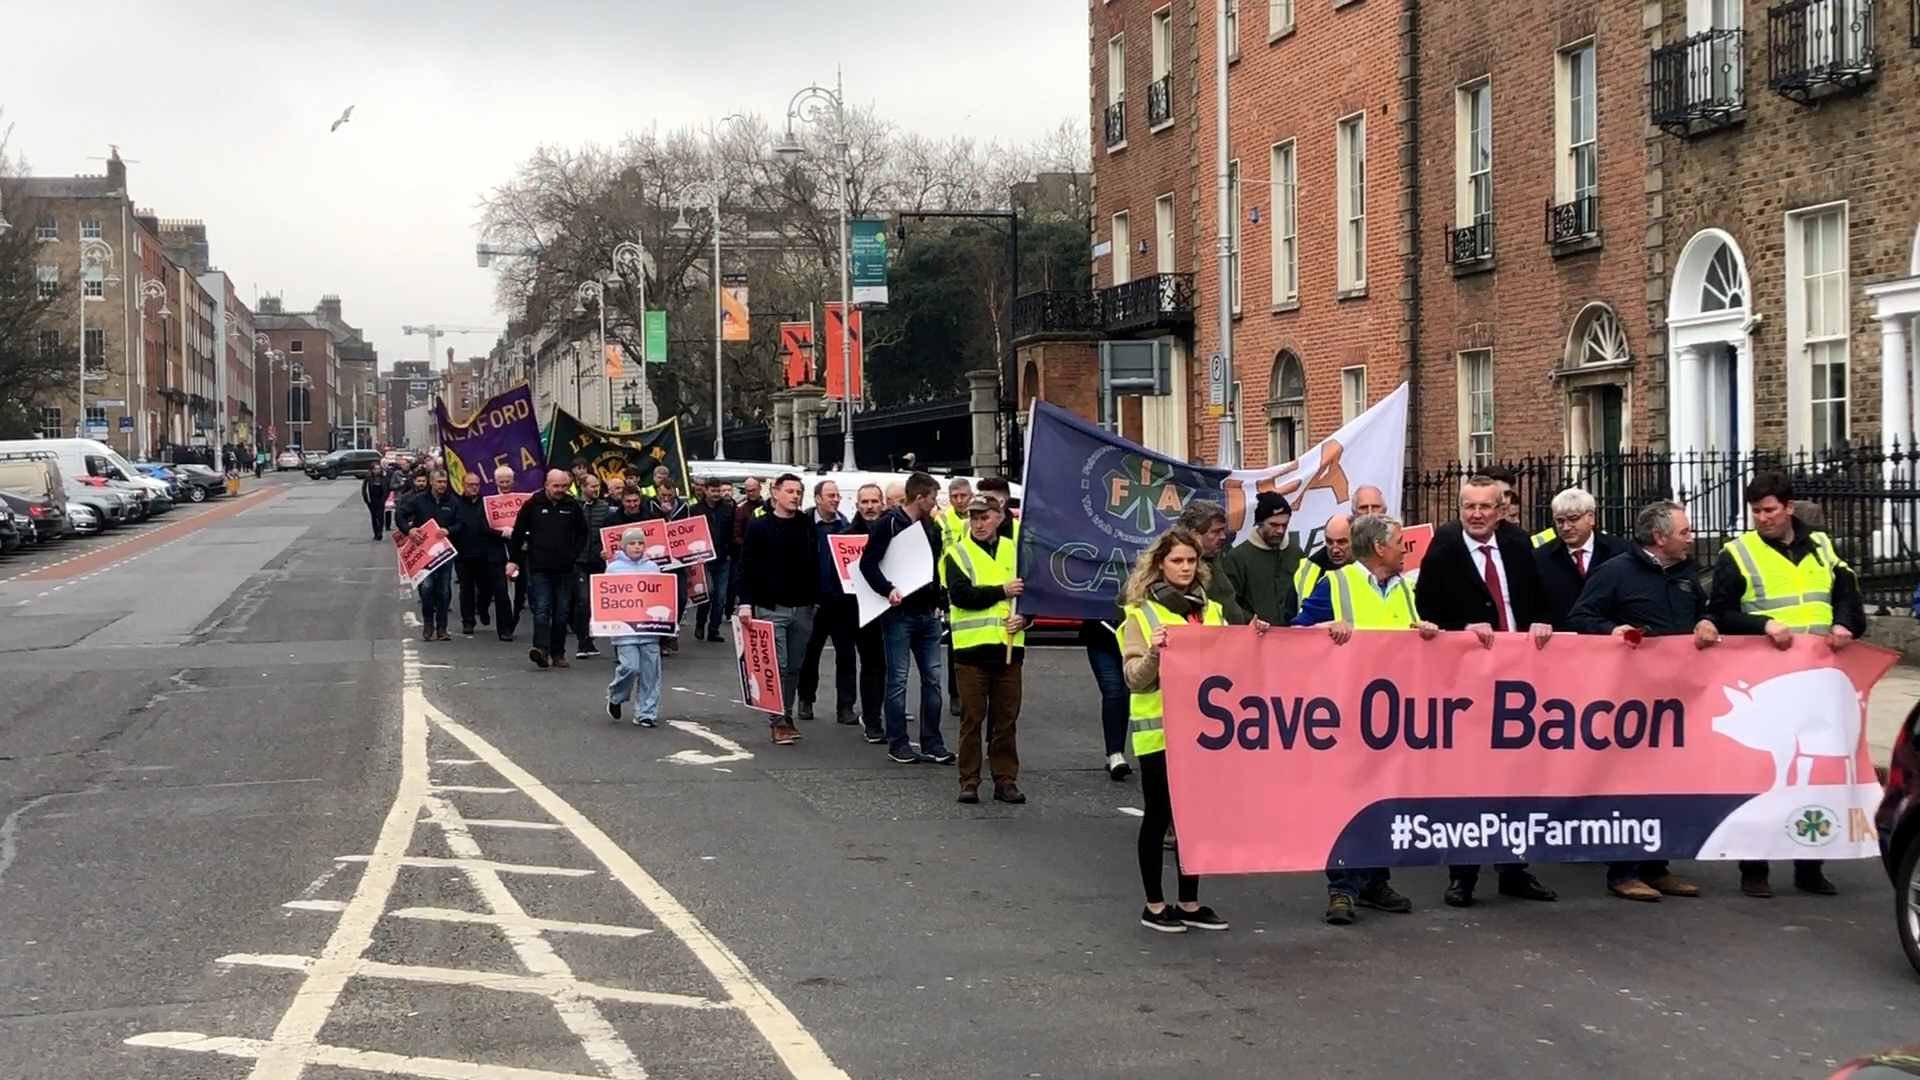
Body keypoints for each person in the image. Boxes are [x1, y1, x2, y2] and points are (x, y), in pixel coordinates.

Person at [1707, 473, 1864, 899]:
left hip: (1817, 681)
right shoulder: (1736, 553)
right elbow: (1720, 612)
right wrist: (1762, 624)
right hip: (1767, 682)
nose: (1762, 518)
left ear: (1789, 507)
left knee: (1816, 775)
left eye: (1770, 510)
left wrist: (1846, 624)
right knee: (1762, 774)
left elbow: (1848, 594)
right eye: (1756, 511)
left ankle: (1809, 864)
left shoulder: (1822, 546)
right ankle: (1753, 867)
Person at [1414, 475, 1559, 908]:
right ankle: (1463, 874)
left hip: (1519, 680)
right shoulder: (1442, 553)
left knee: (1517, 777)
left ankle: (1514, 869)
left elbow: (1539, 600)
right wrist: (1461, 631)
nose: (1476, 515)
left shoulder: (1518, 547)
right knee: (1471, 781)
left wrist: (1542, 622)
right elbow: (1427, 615)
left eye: (1484, 507)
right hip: (1468, 683)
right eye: (1469, 507)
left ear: (1501, 510)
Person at [1565, 500, 1716, 902]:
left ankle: (1656, 866)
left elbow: (1700, 614)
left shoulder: (1685, 574)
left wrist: (1707, 621)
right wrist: (1613, 630)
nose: (1692, 538)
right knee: (1631, 786)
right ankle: (1623, 870)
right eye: (1685, 532)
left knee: (1670, 785)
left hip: (1680, 699)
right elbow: (1580, 618)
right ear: (1660, 536)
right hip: (1631, 702)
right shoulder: (1615, 573)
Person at [1293, 513, 1430, 924]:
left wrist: (1423, 632)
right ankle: (1341, 888)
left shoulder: (1404, 588)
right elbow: (1293, 635)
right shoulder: (1335, 584)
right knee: (1345, 802)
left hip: (1390, 717)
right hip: (1345, 713)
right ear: (1379, 548)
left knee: (1382, 800)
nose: (1405, 550)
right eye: (1400, 543)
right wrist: (1324, 629)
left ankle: (1373, 881)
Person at [1121, 527, 1231, 933]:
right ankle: (1154, 905)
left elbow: (1233, 665)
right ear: (1159, 565)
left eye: (1191, 561)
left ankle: (1189, 902)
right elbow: (1134, 678)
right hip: (1160, 734)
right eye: (1177, 561)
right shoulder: (1141, 614)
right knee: (1159, 815)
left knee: (1194, 818)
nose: (1185, 568)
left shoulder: (1213, 611)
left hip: (1203, 734)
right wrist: (1154, 652)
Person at [861, 471, 954, 765]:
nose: (935, 503)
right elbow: (868, 563)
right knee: (898, 679)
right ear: (918, 498)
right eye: (931, 498)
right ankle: (898, 742)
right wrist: (887, 589)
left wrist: (940, 599)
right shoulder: (888, 523)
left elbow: (934, 566)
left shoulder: (929, 526)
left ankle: (932, 742)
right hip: (899, 614)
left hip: (927, 613)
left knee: (933, 679)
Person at [944, 493, 1029, 804]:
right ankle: (969, 780)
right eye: (973, 518)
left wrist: (1024, 618)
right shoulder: (957, 554)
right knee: (972, 720)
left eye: (984, 517)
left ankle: (1005, 780)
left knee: (1005, 720)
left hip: (1008, 650)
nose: (978, 523)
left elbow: (1029, 594)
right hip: (972, 652)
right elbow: (962, 596)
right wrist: (1001, 591)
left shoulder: (1014, 551)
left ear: (999, 518)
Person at [737, 473, 821, 744]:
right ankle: (778, 720)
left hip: (804, 606)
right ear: (775, 492)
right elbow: (747, 566)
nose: (795, 496)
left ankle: (786, 713)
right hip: (771, 606)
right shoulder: (759, 526)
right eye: (790, 491)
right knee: (779, 664)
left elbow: (814, 559)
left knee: (795, 666)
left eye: (799, 492)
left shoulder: (806, 523)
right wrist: (746, 603)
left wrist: (816, 598)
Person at [510, 469, 589, 670]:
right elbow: (518, 532)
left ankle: (558, 653)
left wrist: (574, 553)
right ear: (546, 484)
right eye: (556, 486)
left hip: (565, 568)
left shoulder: (572, 506)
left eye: (564, 486)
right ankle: (541, 650)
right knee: (542, 610)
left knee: (561, 612)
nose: (560, 490)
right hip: (539, 567)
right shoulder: (532, 505)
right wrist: (514, 560)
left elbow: (583, 532)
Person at [799, 480, 859, 725]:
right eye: (830, 495)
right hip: (812, 602)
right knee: (809, 654)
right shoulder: (803, 525)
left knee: (846, 656)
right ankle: (805, 700)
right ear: (818, 499)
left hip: (842, 602)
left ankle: (845, 707)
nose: (835, 499)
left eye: (837, 496)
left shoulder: (847, 526)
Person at [1534, 487, 1630, 629]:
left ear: (1591, 517)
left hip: (1610, 639)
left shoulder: (1620, 551)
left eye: (1573, 519)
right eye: (1560, 521)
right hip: (1561, 642)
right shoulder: (1540, 558)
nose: (1566, 527)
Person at [604, 529, 665, 728]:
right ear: (624, 546)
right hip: (625, 631)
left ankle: (646, 713)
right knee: (630, 667)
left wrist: (667, 623)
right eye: (632, 543)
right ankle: (616, 696)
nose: (637, 546)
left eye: (640, 543)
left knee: (650, 674)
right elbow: (606, 598)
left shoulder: (653, 568)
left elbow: (662, 596)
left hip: (649, 630)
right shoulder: (613, 569)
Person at [396, 469, 461, 642]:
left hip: (444, 553)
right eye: (439, 481)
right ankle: (428, 623)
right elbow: (400, 514)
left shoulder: (452, 502)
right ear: (431, 482)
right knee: (426, 588)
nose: (442, 485)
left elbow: (461, 523)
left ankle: (442, 627)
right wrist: (409, 530)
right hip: (424, 553)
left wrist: (449, 530)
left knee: (445, 591)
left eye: (444, 482)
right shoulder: (418, 500)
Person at [1221, 491, 1304, 625]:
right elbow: (1229, 604)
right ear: (1260, 523)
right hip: (1255, 639)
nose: (1280, 531)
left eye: (1284, 525)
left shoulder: (1296, 554)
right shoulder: (1237, 558)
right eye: (1274, 525)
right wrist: (1251, 621)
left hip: (1293, 638)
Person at [848, 482, 891, 743]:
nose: (870, 506)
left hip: (891, 607)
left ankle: (885, 715)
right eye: (864, 502)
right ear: (857, 505)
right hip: (860, 609)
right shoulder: (847, 534)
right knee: (871, 664)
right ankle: (872, 720)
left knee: (888, 665)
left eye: (874, 501)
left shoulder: (893, 532)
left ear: (882, 503)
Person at [1175, 500, 1252, 624]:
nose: (1223, 536)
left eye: (1223, 531)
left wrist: (1251, 622)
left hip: (1231, 635)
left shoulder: (1213, 559)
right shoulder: (1180, 569)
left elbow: (1227, 605)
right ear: (1194, 534)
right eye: (1215, 531)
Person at [647, 478, 695, 656]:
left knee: (681, 599)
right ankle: (661, 638)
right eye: (662, 495)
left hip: (678, 562)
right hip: (657, 563)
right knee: (659, 602)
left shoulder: (684, 507)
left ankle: (671, 630)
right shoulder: (650, 505)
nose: (666, 499)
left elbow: (690, 530)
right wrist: (662, 514)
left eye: (669, 495)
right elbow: (649, 528)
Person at [571, 474, 616, 659]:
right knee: (582, 600)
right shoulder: (573, 507)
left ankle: (589, 638)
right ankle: (583, 641)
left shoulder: (604, 508)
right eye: (591, 486)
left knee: (595, 603)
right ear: (582, 487)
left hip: (597, 561)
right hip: (578, 560)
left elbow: (610, 533)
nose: (595, 489)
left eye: (597, 486)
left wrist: (606, 550)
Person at [450, 473, 495, 636]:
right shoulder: (456, 504)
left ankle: (483, 608)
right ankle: (468, 621)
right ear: (463, 485)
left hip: (484, 552)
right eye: (470, 484)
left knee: (487, 587)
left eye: (476, 484)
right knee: (466, 589)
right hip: (463, 553)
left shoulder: (486, 503)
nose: (474, 487)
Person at [696, 478, 738, 643]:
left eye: (718, 491)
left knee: (720, 598)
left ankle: (713, 630)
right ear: (706, 491)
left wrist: (730, 552)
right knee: (708, 593)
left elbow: (733, 531)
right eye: (713, 491)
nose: (716, 494)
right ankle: (700, 623)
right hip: (704, 559)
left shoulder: (728, 509)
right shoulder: (696, 509)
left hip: (723, 558)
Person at [493, 465, 527, 632]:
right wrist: (501, 534)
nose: (505, 485)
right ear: (496, 482)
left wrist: (523, 536)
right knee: (501, 591)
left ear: (513, 481)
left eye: (507, 481)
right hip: (498, 550)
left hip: (520, 549)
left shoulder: (522, 500)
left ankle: (513, 619)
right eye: (501, 482)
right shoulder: (490, 502)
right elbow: (483, 527)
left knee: (520, 591)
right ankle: (504, 628)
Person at [1293, 512, 1353, 603]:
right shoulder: (1307, 569)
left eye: (1342, 542)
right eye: (1329, 542)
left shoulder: (1370, 569)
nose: (1335, 549)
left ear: (1355, 540)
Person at [359, 460, 388, 540]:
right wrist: (367, 501)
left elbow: (386, 489)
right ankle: (375, 533)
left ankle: (380, 533)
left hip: (380, 499)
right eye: (376, 469)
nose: (378, 470)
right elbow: (365, 490)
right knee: (374, 516)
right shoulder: (368, 478)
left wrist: (384, 498)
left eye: (379, 468)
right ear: (372, 470)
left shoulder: (383, 478)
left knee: (381, 517)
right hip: (372, 500)